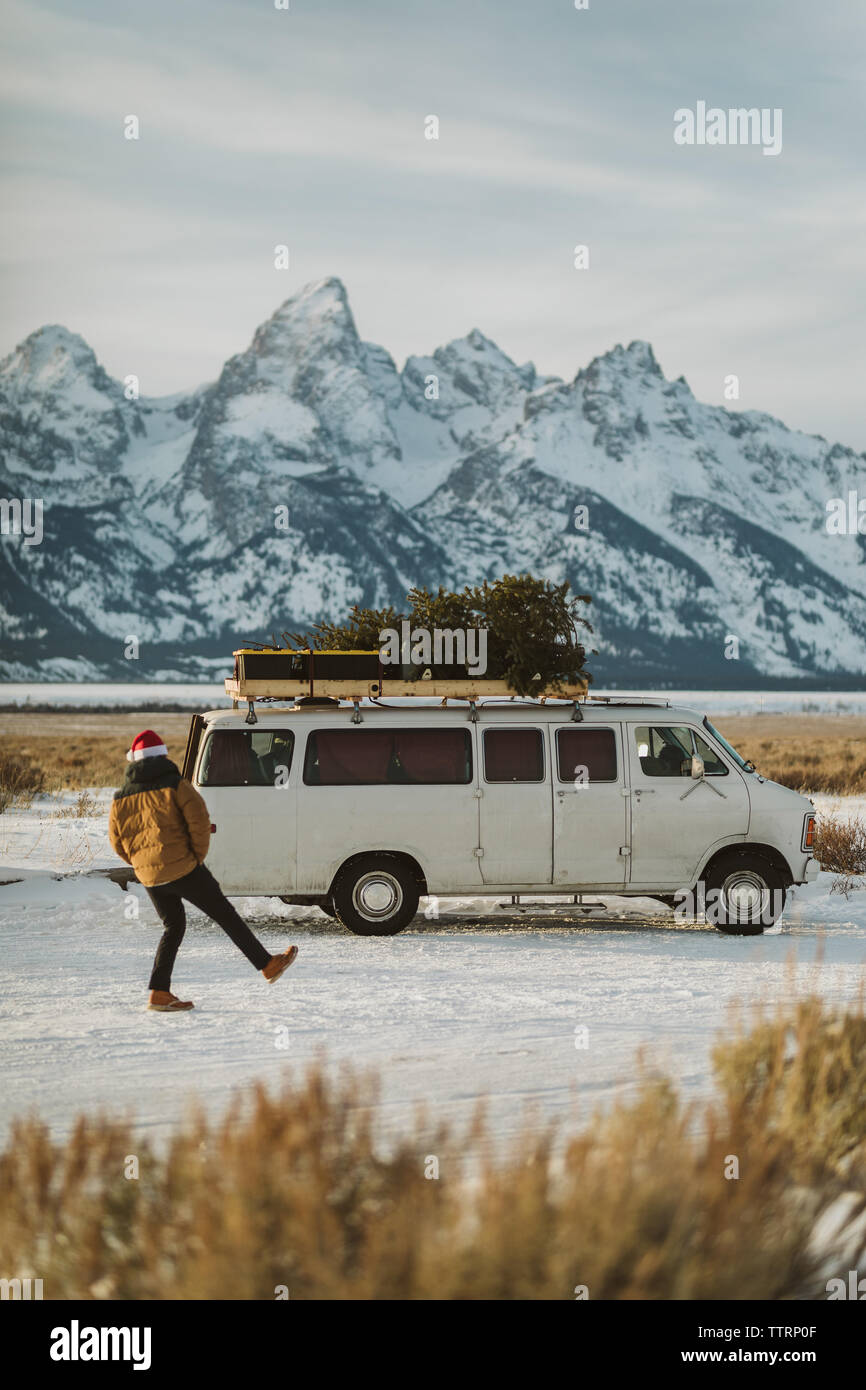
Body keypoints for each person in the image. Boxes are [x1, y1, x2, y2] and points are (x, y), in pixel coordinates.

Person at [108, 729, 297, 1012]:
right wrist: (195, 857)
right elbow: (199, 820)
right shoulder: (176, 784)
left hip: (150, 876)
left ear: (134, 762)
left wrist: (141, 863)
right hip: (184, 867)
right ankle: (267, 965)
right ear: (162, 756)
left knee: (173, 927)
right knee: (225, 915)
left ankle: (159, 992)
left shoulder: (120, 798)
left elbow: (117, 842)